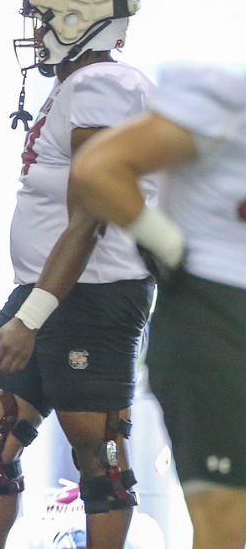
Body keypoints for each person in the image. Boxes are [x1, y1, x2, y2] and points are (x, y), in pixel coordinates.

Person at [0, 0, 157, 549]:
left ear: (78, 19)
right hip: (46, 290)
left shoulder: (105, 84)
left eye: (43, 16)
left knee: (98, 453)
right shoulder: (78, 86)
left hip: (94, 295)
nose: (36, 29)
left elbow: (91, 214)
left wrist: (30, 317)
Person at [71, 65, 246, 549]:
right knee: (229, 520)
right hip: (216, 315)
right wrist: (169, 247)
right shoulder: (229, 94)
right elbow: (98, 168)